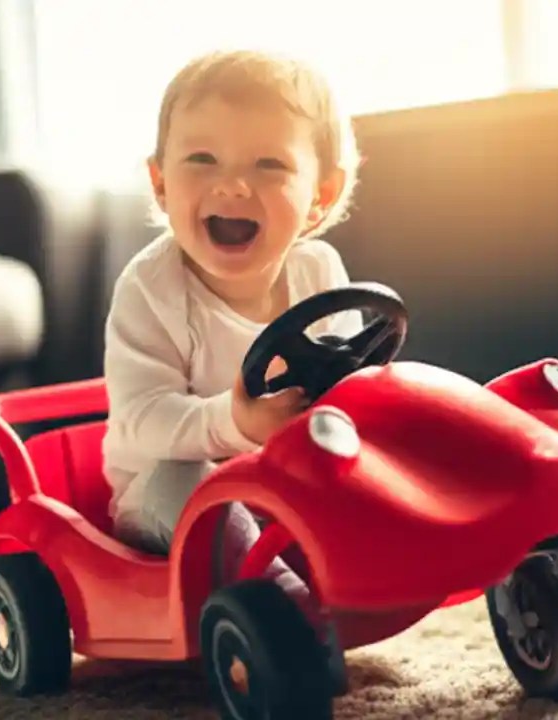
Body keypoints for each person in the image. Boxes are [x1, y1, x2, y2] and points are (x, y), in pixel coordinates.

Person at [99, 48, 363, 622]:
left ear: (319, 196)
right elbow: (140, 419)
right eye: (203, 159)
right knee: (193, 486)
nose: (234, 186)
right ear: (161, 183)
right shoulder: (151, 289)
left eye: (269, 165)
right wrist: (235, 425)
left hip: (287, 482)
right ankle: (283, 604)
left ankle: (460, 543)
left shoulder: (319, 275)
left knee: (374, 451)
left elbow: (353, 385)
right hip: (163, 488)